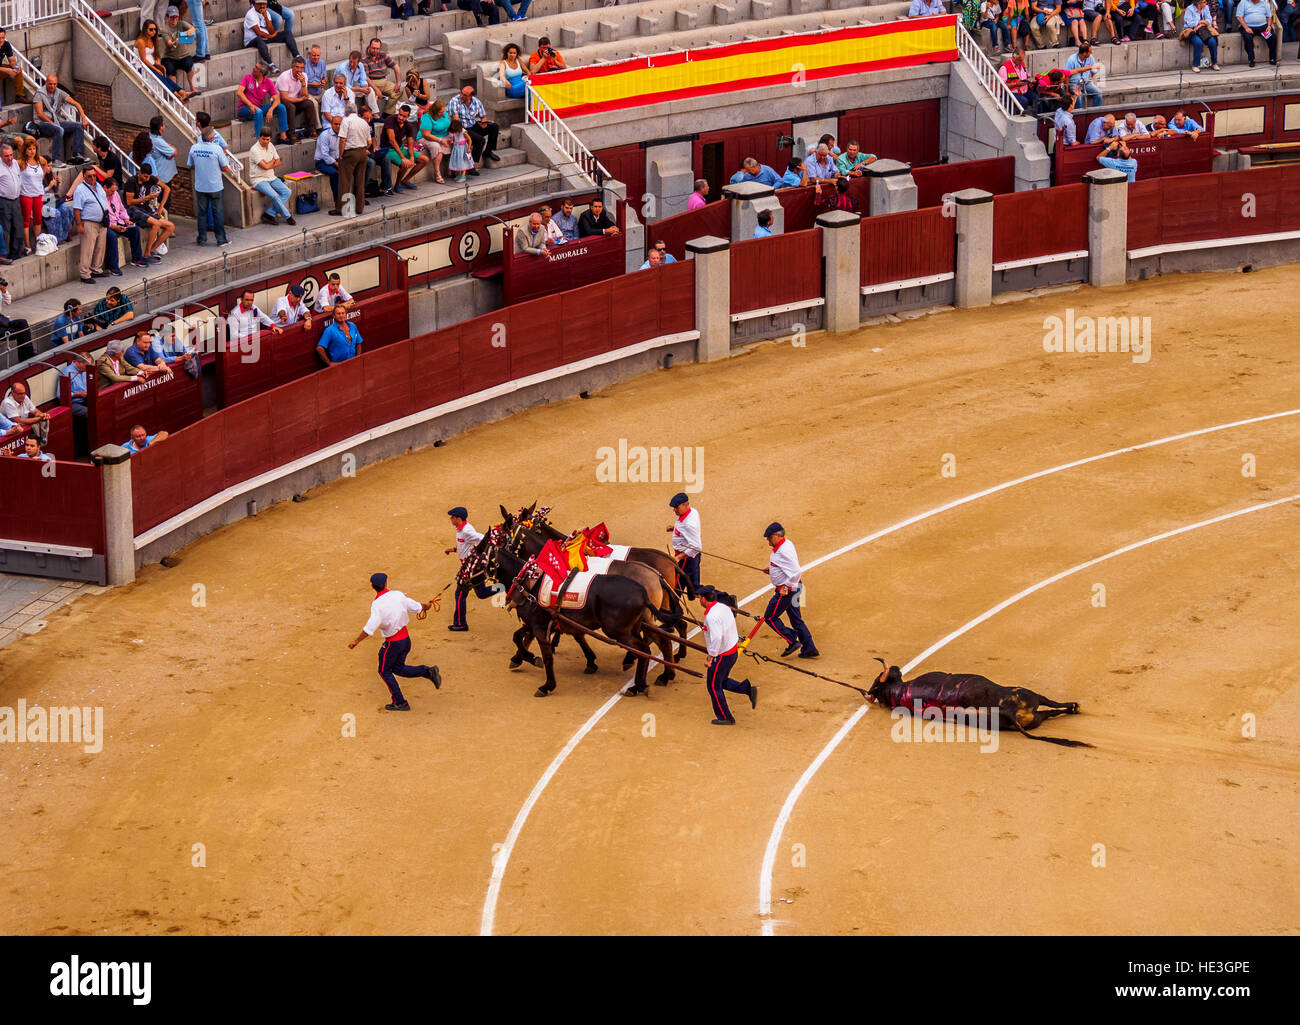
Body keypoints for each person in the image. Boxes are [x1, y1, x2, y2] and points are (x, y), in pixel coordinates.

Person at [347, 572, 440, 712]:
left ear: (372, 587)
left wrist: (356, 641)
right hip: (406, 640)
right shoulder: (398, 595)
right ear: (386, 584)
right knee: (398, 669)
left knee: (384, 671)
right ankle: (427, 672)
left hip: (393, 644)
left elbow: (370, 628)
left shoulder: (377, 605)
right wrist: (425, 606)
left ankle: (400, 701)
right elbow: (416, 607)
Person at [698, 585, 756, 725]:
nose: (699, 599)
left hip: (722, 655)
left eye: (699, 597)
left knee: (713, 686)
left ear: (703, 598)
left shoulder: (711, 617)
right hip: (732, 650)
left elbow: (717, 638)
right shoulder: (723, 607)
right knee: (721, 680)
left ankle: (725, 717)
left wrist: (710, 657)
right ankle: (747, 689)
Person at [762, 522, 818, 658]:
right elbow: (788, 567)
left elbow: (796, 572)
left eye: (770, 537)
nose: (768, 540)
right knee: (796, 619)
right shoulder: (786, 544)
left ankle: (792, 639)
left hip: (787, 591)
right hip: (797, 587)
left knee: (769, 617)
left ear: (778, 535)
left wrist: (785, 588)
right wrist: (773, 569)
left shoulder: (783, 550)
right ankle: (809, 648)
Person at [445, 508, 494, 631]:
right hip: (469, 566)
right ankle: (502, 587)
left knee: (460, 593)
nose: (451, 519)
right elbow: (466, 545)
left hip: (471, 568)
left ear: (458, 518)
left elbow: (483, 539)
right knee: (481, 593)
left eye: (452, 517)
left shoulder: (466, 531)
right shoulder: (462, 529)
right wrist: (453, 549)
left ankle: (461, 623)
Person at [31, 73, 90, 165]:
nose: (52, 86)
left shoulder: (59, 93)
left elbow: (77, 104)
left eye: (54, 84)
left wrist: (83, 118)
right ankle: (56, 160)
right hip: (42, 123)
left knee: (78, 126)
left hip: (55, 121)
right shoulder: (39, 94)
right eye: (50, 84)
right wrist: (52, 123)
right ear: (46, 83)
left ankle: (78, 154)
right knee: (59, 129)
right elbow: (40, 114)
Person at [187, 125, 229, 245]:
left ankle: (201, 239)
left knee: (201, 213)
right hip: (215, 186)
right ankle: (221, 239)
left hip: (200, 186)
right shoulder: (217, 149)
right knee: (218, 213)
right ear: (212, 138)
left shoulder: (194, 148)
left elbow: (191, 165)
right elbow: (225, 168)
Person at [124, 163, 174, 261]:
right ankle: (147, 254)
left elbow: (167, 189)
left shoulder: (151, 179)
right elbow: (129, 202)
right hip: (132, 210)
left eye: (148, 177)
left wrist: (160, 207)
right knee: (156, 224)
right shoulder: (131, 181)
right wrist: (147, 197)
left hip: (145, 209)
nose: (147, 179)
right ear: (140, 173)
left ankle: (152, 250)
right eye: (145, 176)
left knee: (170, 226)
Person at [136, 19, 194, 100]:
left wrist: (159, 65)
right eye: (151, 29)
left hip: (151, 65)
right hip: (141, 67)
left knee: (165, 76)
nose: (153, 31)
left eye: (155, 29)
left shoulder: (152, 40)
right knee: (161, 77)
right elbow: (143, 60)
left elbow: (156, 55)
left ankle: (181, 92)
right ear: (145, 30)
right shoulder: (140, 41)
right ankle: (178, 95)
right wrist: (156, 69)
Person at [70, 166, 110, 283]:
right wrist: (79, 225)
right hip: (89, 222)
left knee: (100, 247)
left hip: (102, 222)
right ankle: (85, 274)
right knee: (87, 250)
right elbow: (76, 209)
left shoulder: (98, 186)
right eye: (89, 176)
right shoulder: (80, 189)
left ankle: (96, 269)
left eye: (94, 175)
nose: (93, 178)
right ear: (84, 176)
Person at [248, 128, 295, 225]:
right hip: (258, 179)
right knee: (274, 196)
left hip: (271, 177)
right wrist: (271, 163)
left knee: (287, 192)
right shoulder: (254, 149)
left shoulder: (271, 145)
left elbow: (278, 161)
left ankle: (269, 214)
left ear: (270, 139)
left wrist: (270, 164)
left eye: (267, 139)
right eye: (263, 139)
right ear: (259, 137)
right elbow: (265, 166)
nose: (265, 142)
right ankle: (288, 216)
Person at [237, 61, 291, 146]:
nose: (253, 68)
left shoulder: (268, 82)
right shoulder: (247, 77)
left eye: (256, 68)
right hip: (244, 108)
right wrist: (251, 105)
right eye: (255, 66)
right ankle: (260, 141)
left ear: (261, 73)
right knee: (258, 111)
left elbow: (277, 99)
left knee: (281, 107)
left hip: (259, 108)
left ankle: (283, 137)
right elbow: (239, 93)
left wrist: (271, 110)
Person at [447, 85, 500, 168]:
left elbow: (483, 116)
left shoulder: (476, 101)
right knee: (480, 140)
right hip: (461, 128)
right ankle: (472, 164)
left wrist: (484, 123)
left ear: (471, 96)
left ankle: (488, 152)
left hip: (473, 125)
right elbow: (456, 122)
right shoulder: (454, 101)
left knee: (494, 127)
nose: (461, 96)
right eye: (461, 93)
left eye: (465, 95)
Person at [102, 179, 148, 274]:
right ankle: (113, 267)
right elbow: (102, 219)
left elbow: (122, 209)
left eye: (115, 190)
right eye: (112, 190)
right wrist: (114, 227)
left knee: (134, 230)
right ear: (105, 188)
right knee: (112, 237)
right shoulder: (100, 198)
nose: (113, 192)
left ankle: (137, 259)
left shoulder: (115, 194)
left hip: (118, 221)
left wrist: (126, 220)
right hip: (107, 225)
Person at [333, 106, 371, 215]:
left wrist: (341, 154)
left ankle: (342, 208)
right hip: (363, 152)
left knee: (345, 181)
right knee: (360, 181)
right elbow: (369, 142)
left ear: (346, 112)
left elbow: (342, 139)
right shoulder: (364, 122)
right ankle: (359, 207)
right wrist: (364, 149)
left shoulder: (346, 120)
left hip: (350, 152)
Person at [244, 0, 300, 72]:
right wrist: (271, 36)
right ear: (254, 4)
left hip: (265, 38)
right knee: (259, 39)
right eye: (259, 3)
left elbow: (271, 31)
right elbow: (259, 33)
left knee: (287, 33)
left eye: (264, 3)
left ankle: (297, 56)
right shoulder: (250, 14)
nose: (262, 6)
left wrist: (265, 17)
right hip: (252, 41)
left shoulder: (266, 12)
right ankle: (271, 64)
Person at [383, 104, 427, 192]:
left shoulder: (408, 125)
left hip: (401, 147)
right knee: (405, 164)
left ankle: (405, 180)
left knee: (424, 159)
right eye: (400, 114)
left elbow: (410, 143)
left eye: (404, 116)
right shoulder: (390, 120)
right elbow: (392, 140)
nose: (400, 117)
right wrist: (403, 158)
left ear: (408, 116)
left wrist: (411, 157)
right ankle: (397, 185)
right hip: (388, 149)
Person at [16, 138, 49, 256]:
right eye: (29, 149)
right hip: (26, 194)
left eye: (34, 148)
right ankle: (28, 246)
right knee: (26, 222)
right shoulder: (21, 162)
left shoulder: (39, 160)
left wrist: (42, 175)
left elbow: (45, 164)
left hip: (39, 194)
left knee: (38, 220)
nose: (32, 151)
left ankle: (38, 243)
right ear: (25, 150)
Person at [275, 56, 321, 138]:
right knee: (291, 107)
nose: (299, 70)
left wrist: (303, 83)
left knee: (309, 103)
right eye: (297, 67)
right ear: (292, 67)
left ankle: (312, 130)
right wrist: (299, 99)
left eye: (301, 68)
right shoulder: (284, 77)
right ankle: (291, 134)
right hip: (281, 102)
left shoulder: (304, 76)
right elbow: (284, 97)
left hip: (294, 100)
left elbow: (305, 95)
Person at [666, 492, 701, 593]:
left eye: (676, 507)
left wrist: (678, 557)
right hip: (694, 558)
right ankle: (724, 598)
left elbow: (696, 546)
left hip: (686, 559)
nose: (674, 510)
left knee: (675, 588)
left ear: (685, 505)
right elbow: (684, 529)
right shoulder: (692, 512)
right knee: (696, 588)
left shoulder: (689, 524)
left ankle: (674, 608)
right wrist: (674, 528)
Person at [362, 37, 402, 116]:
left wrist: (398, 82)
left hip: (384, 82)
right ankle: (374, 116)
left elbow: (396, 67)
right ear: (369, 47)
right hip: (372, 83)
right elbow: (366, 78)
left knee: (398, 91)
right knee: (370, 94)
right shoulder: (364, 59)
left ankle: (387, 113)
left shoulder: (383, 55)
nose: (375, 50)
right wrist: (376, 90)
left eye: (377, 48)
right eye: (373, 48)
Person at [417, 99, 450, 184]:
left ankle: (456, 169)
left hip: (443, 134)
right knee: (436, 146)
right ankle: (437, 172)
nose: (443, 114)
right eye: (440, 112)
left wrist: (452, 137)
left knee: (458, 142)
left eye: (444, 111)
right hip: (427, 137)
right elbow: (426, 134)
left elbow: (448, 126)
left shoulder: (444, 113)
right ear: (435, 111)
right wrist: (440, 140)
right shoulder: (427, 116)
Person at [1182, 0, 1221, 69]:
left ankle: (1214, 63)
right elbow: (1189, 23)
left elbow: (1209, 20)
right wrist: (1201, 22)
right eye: (1204, 2)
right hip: (1192, 30)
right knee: (1198, 42)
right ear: (1199, 3)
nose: (1206, 3)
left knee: (1212, 42)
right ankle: (1195, 65)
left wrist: (1200, 24)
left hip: (1203, 30)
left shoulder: (1206, 7)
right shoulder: (1189, 9)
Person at [1237, 0, 1277, 66]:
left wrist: (1269, 26)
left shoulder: (1263, 2)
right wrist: (1246, 28)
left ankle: (1272, 58)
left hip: (1262, 27)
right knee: (1248, 38)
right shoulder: (1243, 2)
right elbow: (1239, 17)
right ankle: (1251, 59)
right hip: (1248, 26)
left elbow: (1269, 16)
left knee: (1272, 37)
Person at [0, 279, 32, 361]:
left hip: (1, 320)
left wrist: (4, 291)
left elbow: (7, 302)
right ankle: (24, 358)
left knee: (23, 323)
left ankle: (29, 353)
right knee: (17, 332)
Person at [335, 50, 375, 115]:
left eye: (354, 63)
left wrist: (365, 88)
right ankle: (353, 116)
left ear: (358, 62)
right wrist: (361, 89)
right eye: (350, 61)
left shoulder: (360, 66)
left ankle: (374, 114)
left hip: (352, 88)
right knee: (351, 94)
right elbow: (346, 86)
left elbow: (363, 79)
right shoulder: (342, 68)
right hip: (341, 90)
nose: (351, 64)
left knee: (370, 90)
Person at [1064, 42, 1103, 106]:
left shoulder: (1091, 58)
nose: (1092, 53)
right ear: (1085, 53)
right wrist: (1066, 91)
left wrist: (1096, 85)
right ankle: (1079, 115)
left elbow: (1093, 72)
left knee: (1098, 93)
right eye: (1090, 52)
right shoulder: (1071, 60)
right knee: (1079, 96)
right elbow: (1066, 76)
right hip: (1074, 83)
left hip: (1086, 83)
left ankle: (1095, 113)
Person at [315, 113, 342, 205]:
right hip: (322, 161)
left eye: (340, 124)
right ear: (331, 124)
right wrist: (336, 164)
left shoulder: (343, 134)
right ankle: (337, 201)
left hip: (336, 160)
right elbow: (324, 155)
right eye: (336, 124)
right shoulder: (325, 135)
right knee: (335, 173)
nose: (338, 126)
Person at [0, 27, 29, 104]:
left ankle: (19, 96)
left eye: (3, 38)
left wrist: (14, 66)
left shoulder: (5, 44)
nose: (1, 40)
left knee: (18, 70)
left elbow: (11, 59)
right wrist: (7, 70)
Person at [146, 116, 178, 184]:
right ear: (160, 127)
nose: (164, 125)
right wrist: (170, 146)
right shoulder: (158, 141)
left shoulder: (150, 136)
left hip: (159, 175)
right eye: (163, 124)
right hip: (162, 178)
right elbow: (175, 152)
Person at [446, 117, 473, 182]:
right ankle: (459, 174)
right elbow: (454, 138)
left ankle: (463, 175)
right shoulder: (455, 132)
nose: (454, 131)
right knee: (457, 161)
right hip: (456, 148)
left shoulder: (464, 132)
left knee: (462, 161)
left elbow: (469, 140)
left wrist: (469, 148)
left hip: (463, 149)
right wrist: (451, 141)